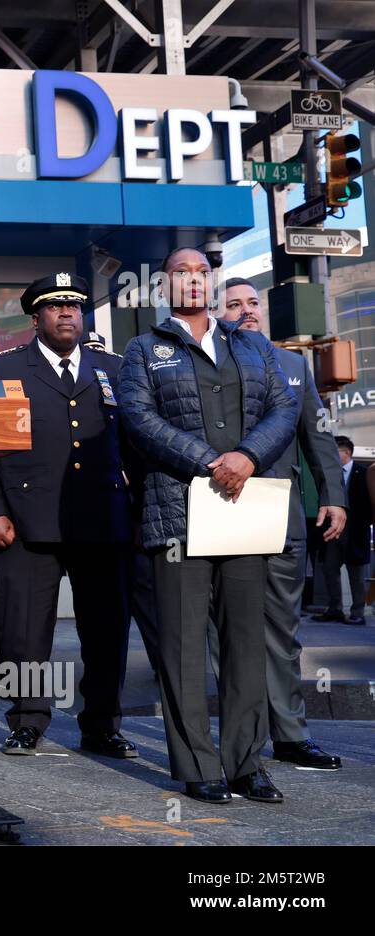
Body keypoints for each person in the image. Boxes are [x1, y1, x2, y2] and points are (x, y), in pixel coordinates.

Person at [118, 246, 299, 804]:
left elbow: (284, 410)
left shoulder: (252, 347)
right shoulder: (143, 350)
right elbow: (139, 418)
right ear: (163, 286)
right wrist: (209, 461)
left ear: (212, 284)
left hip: (246, 512)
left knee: (245, 643)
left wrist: (246, 456)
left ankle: (246, 763)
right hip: (177, 515)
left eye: (202, 272)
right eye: (180, 272)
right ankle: (199, 765)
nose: (193, 280)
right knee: (181, 647)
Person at [0, 275, 135, 757]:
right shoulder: (2, 370)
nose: (67, 313)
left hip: (102, 520)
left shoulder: (113, 368)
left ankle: (102, 723)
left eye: (74, 306)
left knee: (106, 630)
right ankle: (28, 718)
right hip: (25, 521)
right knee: (23, 631)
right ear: (35, 317)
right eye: (55, 306)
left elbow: (133, 446)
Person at [205, 278, 344, 770]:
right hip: (219, 511)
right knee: (226, 632)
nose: (247, 311)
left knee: (282, 633)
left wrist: (333, 496)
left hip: (281, 516)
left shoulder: (293, 365)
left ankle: (291, 735)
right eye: (234, 304)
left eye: (252, 303)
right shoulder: (203, 360)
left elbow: (319, 437)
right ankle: (242, 741)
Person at [315, 435, 370, 626]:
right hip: (331, 532)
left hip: (355, 533)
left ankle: (357, 612)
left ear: (346, 453)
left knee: (356, 575)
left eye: (334, 451)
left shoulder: (363, 473)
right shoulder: (329, 474)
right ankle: (335, 609)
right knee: (330, 570)